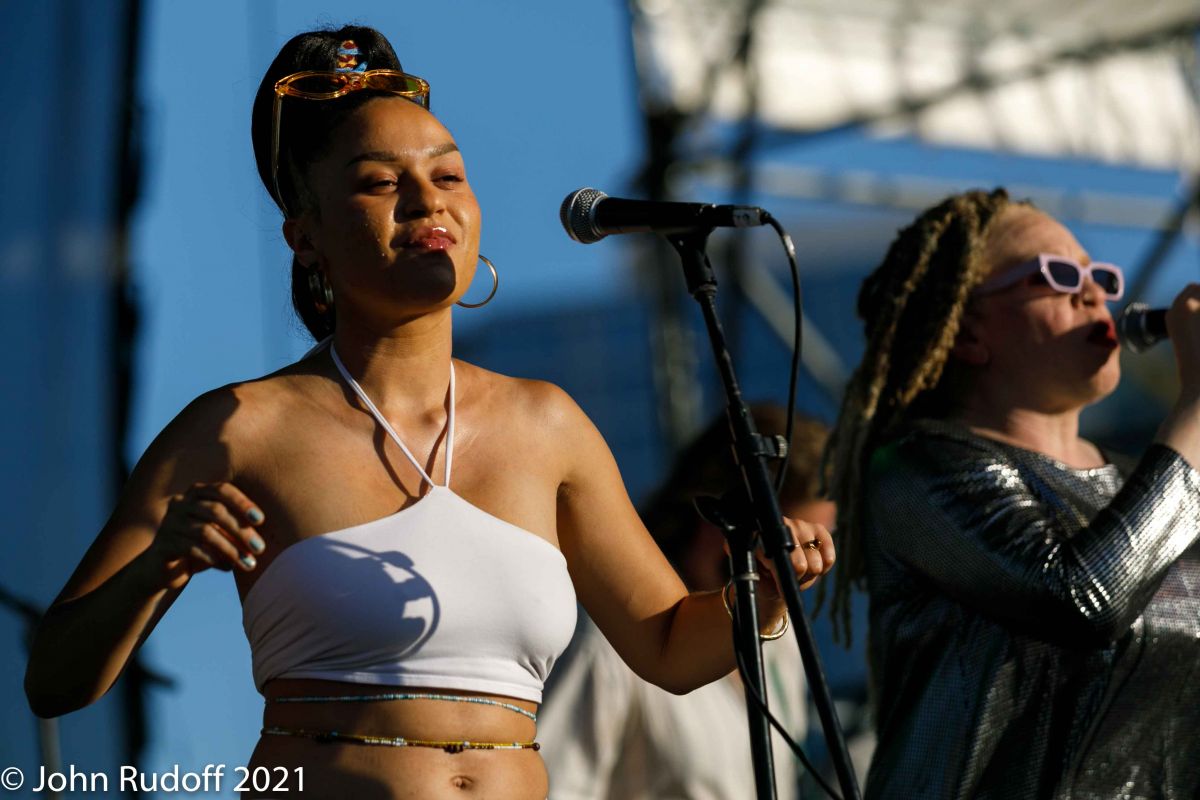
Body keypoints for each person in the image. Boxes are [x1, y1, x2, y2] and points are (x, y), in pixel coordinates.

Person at [22, 25, 835, 800]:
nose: (426, 204)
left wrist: (758, 598)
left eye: (448, 177)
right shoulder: (238, 427)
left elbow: (665, 646)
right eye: (381, 183)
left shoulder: (546, 425)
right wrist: (160, 561)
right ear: (305, 237)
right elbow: (53, 679)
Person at [821, 188, 1200, 799]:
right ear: (966, 331)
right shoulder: (918, 471)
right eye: (1056, 274)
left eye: (1100, 274)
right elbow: (1082, 597)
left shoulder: (1157, 487)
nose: (1094, 292)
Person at [539, 406, 833, 800]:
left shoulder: (777, 628)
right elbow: (553, 786)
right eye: (779, 543)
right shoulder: (611, 643)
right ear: (717, 514)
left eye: (807, 546)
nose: (790, 562)